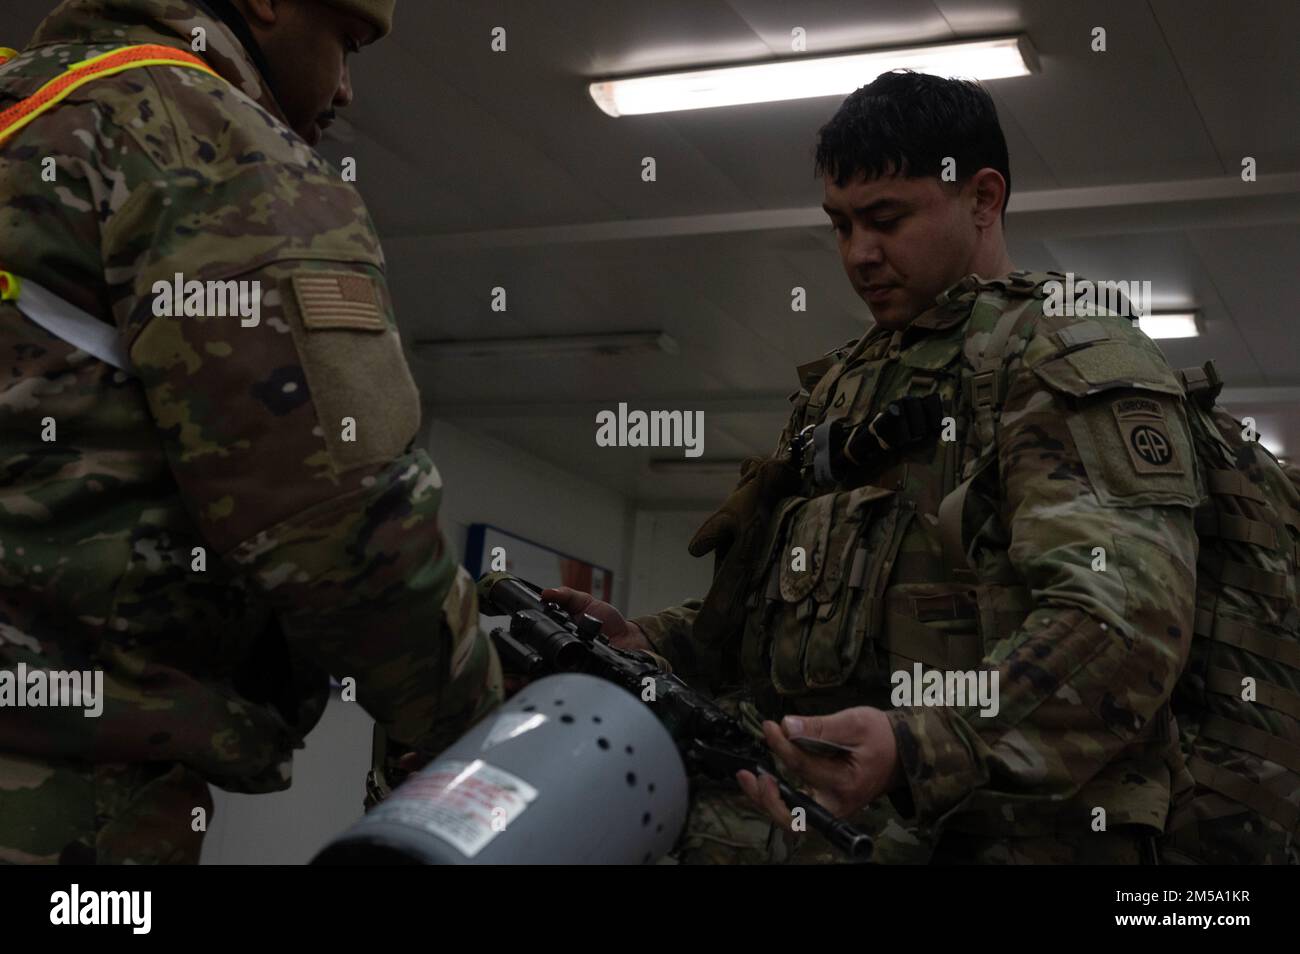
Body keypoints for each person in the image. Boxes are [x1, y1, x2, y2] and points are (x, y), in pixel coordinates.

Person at [546, 70, 1200, 864]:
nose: (859, 254)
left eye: (886, 219)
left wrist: (922, 743)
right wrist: (650, 646)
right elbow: (771, 626)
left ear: (983, 198)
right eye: (840, 225)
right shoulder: (843, 386)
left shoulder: (1061, 351)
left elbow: (1124, 625)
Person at [0, 0, 500, 864]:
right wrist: (487, 721)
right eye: (346, 40)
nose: (345, 87)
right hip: (51, 800)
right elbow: (343, 522)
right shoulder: (207, 141)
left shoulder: (26, 107)